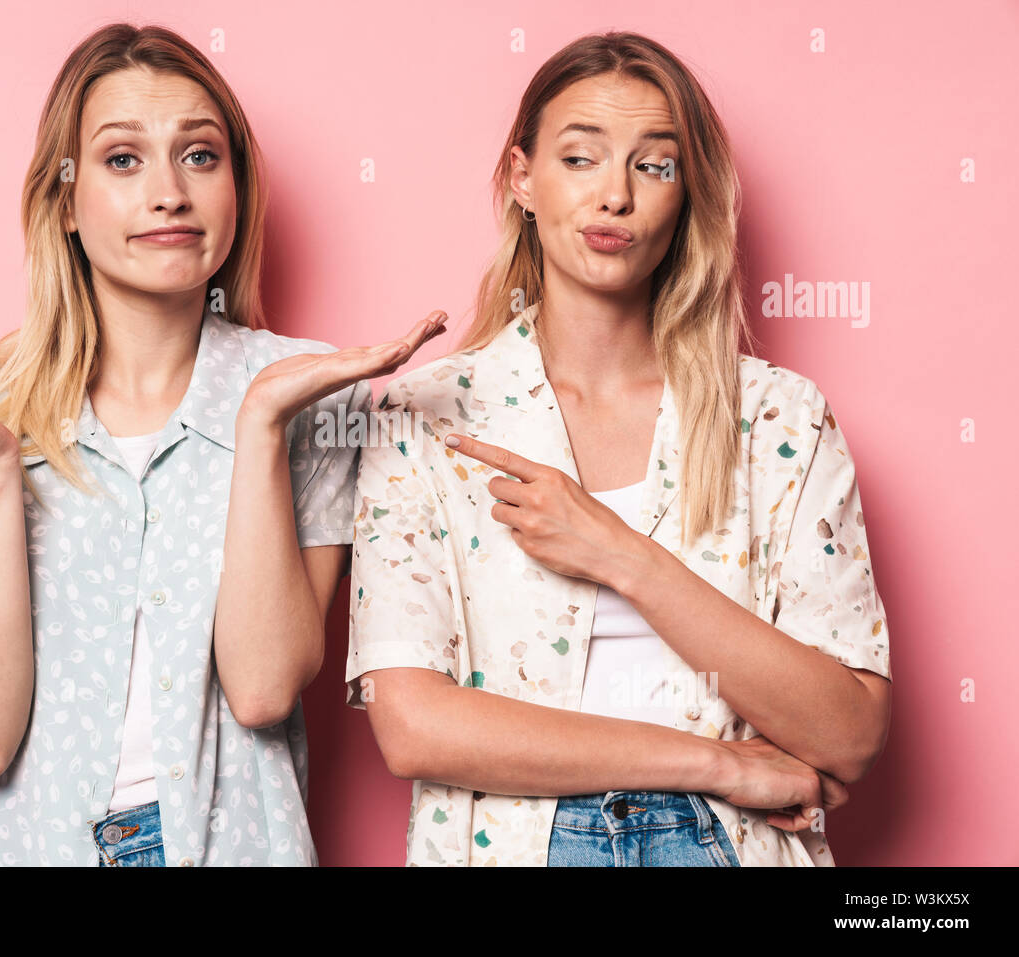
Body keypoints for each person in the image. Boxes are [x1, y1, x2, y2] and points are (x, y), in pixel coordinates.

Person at [0, 22, 445, 866]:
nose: (170, 193)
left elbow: (261, 689)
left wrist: (258, 426)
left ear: (237, 190)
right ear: (64, 202)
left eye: (201, 155)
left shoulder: (306, 395)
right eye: (122, 159)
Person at [344, 31, 891, 867]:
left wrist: (620, 554)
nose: (615, 196)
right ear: (522, 177)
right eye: (580, 158)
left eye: (654, 165)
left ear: (684, 193)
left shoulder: (783, 418)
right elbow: (414, 726)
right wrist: (715, 764)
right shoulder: (427, 414)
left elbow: (848, 733)